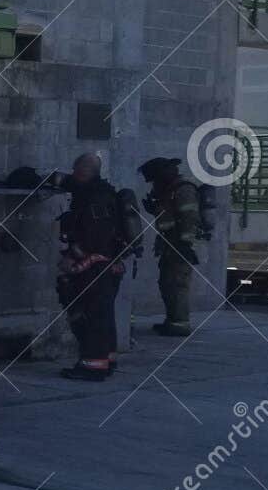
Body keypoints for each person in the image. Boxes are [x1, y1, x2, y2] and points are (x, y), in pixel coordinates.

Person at [54, 154, 128, 381]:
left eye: (76, 171)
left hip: (95, 267)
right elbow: (67, 182)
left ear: (83, 172)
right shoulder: (99, 190)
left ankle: (92, 366)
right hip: (108, 266)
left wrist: (74, 256)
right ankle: (107, 360)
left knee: (91, 315)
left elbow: (96, 239)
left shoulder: (95, 200)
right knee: (103, 315)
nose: (73, 175)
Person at [139, 156, 200, 337]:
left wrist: (184, 244)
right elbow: (168, 218)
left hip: (179, 245)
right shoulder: (170, 191)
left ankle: (180, 324)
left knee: (177, 284)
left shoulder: (184, 189)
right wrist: (155, 209)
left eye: (155, 180)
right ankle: (172, 320)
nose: (154, 185)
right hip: (169, 244)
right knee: (167, 283)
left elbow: (189, 218)